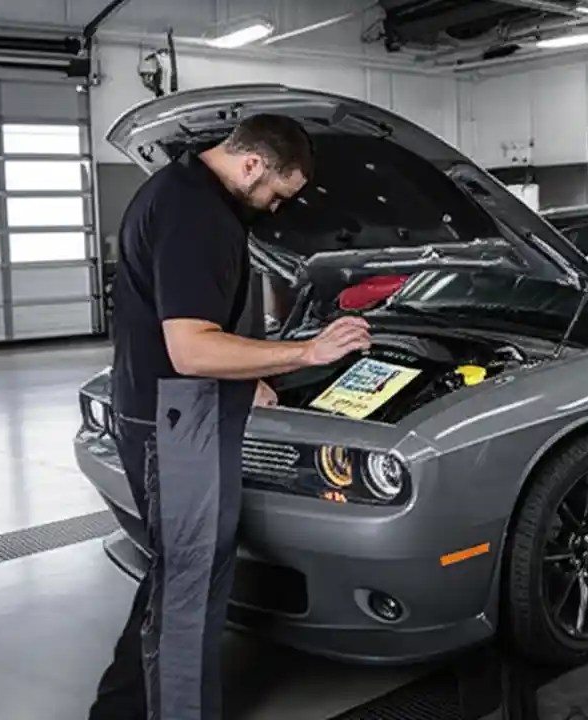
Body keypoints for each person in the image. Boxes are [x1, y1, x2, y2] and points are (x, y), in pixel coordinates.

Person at [89, 114, 371, 720]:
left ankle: (118, 709)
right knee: (190, 586)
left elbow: (202, 322)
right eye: (277, 193)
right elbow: (191, 348)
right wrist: (306, 352)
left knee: (177, 575)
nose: (274, 209)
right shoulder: (198, 216)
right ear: (252, 165)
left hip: (170, 408)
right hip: (180, 419)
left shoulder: (179, 190)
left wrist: (254, 377)